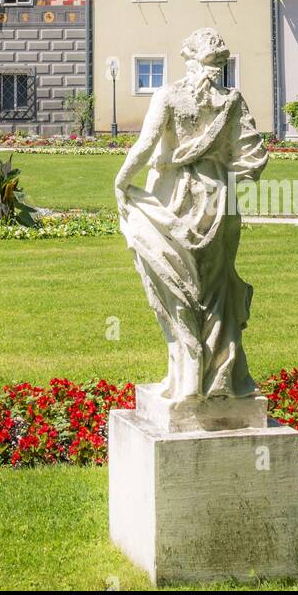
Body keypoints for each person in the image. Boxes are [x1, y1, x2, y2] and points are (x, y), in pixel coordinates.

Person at [114, 26, 268, 406]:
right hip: (220, 201)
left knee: (176, 284)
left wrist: (122, 180)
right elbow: (252, 155)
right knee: (215, 288)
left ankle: (186, 377)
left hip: (173, 197)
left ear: (190, 60)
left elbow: (145, 144)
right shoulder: (232, 101)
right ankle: (218, 378)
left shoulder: (168, 95)